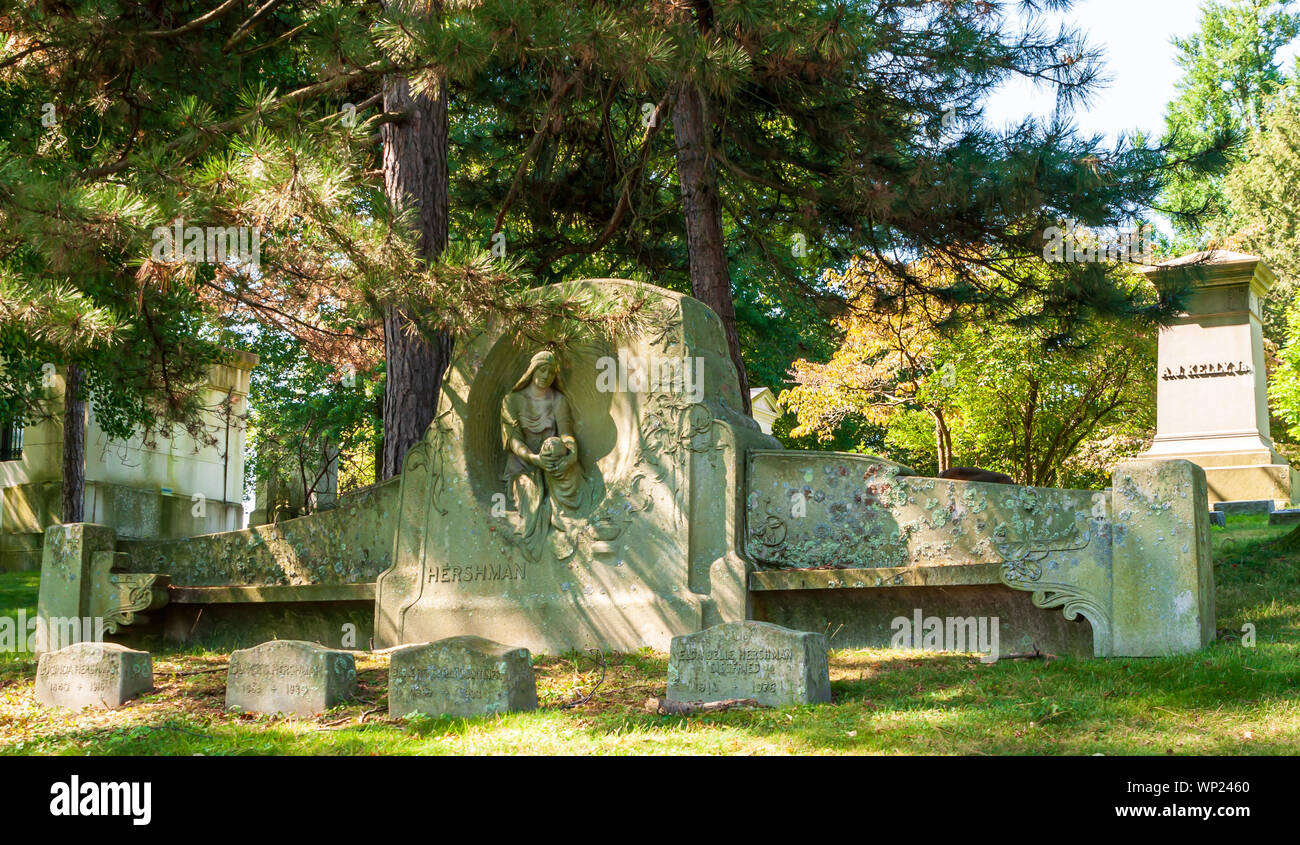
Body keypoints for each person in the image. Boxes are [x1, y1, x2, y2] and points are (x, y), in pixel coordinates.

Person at [500, 350, 586, 558]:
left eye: (551, 372)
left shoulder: (559, 401)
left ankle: (570, 527)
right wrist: (533, 459)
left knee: (573, 487)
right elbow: (513, 441)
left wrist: (571, 455)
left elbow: (566, 434)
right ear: (532, 370)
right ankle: (530, 545)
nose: (546, 375)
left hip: (552, 462)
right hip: (523, 465)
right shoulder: (512, 400)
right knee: (531, 497)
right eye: (542, 369)